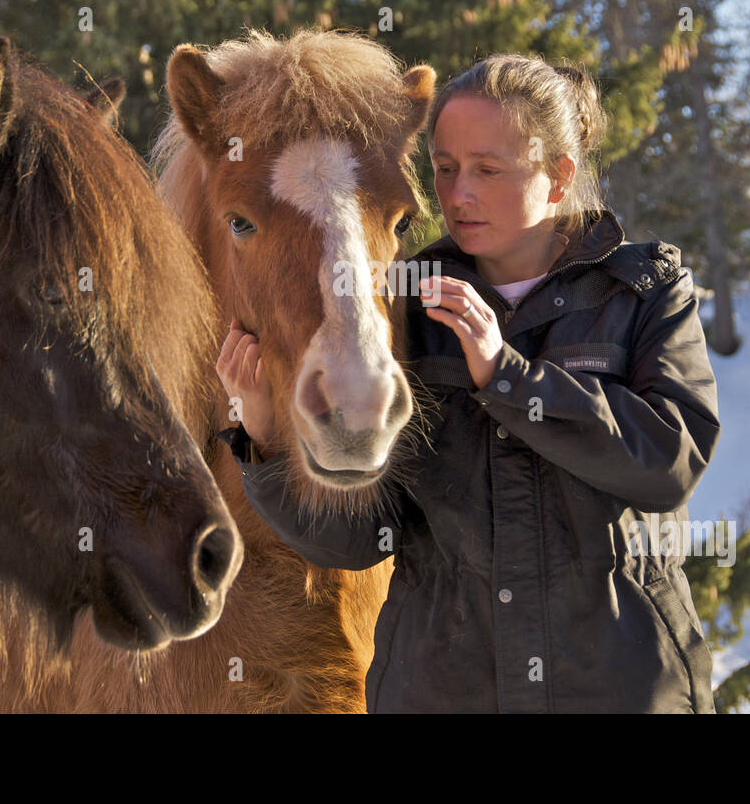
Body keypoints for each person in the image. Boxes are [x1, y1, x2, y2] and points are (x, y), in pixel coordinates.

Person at [215, 54, 722, 713]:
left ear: (560, 176)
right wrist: (264, 441)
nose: (457, 196)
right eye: (445, 169)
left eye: (487, 170)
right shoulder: (410, 304)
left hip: (617, 691)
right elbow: (360, 539)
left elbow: (668, 461)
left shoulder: (643, 293)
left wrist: (507, 375)